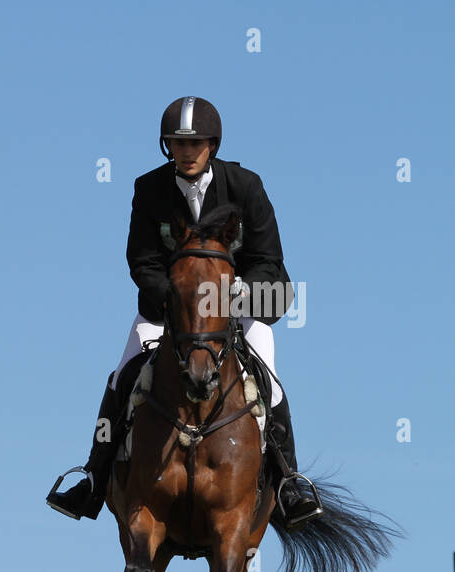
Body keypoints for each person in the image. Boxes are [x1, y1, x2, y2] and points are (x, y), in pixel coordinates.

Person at [46, 95, 322, 528]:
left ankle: (288, 482)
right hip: (168, 311)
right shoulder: (148, 189)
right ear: (166, 147)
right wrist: (177, 300)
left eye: (195, 144)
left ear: (213, 145)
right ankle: (93, 476)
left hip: (235, 310)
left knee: (269, 380)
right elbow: (142, 261)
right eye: (177, 143)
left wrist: (225, 299)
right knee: (122, 378)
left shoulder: (246, 186)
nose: (186, 152)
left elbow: (268, 260)